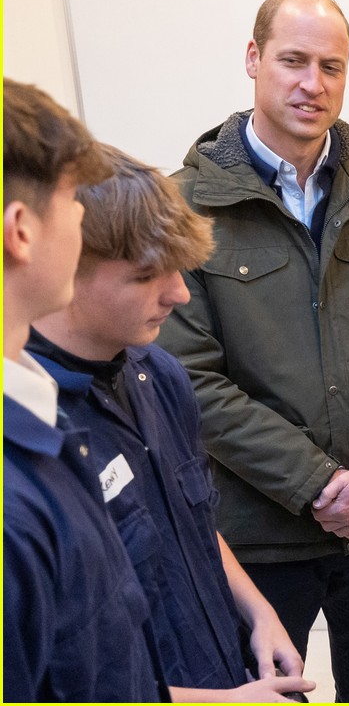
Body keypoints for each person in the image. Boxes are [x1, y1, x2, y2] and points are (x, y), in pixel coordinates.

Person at [158, 0, 349, 702]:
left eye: (331, 65)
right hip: (258, 530)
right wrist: (320, 484)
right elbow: (191, 378)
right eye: (293, 60)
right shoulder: (187, 204)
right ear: (253, 58)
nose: (312, 83)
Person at [28, 146, 316, 702]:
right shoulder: (35, 431)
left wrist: (259, 612)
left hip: (222, 663)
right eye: (145, 276)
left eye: (180, 270)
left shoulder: (159, 374)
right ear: (60, 267)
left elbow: (195, 517)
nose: (179, 295)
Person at [2, 78, 163, 701]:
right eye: (73, 197)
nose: (81, 215)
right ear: (22, 231)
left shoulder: (38, 421)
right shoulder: (11, 508)